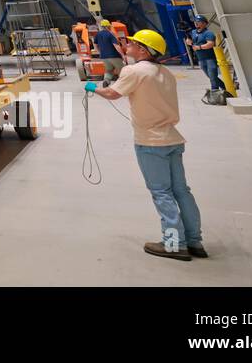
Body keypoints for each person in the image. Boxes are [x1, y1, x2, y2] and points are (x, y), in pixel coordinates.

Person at [85, 29, 207, 261]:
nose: (127, 45)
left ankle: (173, 244)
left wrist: (93, 88)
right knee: (182, 191)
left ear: (143, 49)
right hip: (172, 138)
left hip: (151, 141)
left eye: (132, 43)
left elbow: (112, 93)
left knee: (162, 193)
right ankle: (194, 240)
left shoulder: (134, 71)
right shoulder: (165, 73)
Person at [187, 15, 224, 94]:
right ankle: (225, 88)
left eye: (198, 22)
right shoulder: (193, 32)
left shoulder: (208, 33)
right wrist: (189, 42)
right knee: (210, 76)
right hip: (201, 59)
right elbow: (188, 40)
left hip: (210, 58)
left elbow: (210, 44)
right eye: (195, 21)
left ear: (204, 23)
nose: (196, 23)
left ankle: (214, 92)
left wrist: (199, 47)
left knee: (212, 76)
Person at [95, 19, 123, 85]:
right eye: (109, 26)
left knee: (109, 70)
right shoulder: (110, 34)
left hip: (104, 57)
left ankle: (106, 81)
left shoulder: (98, 34)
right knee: (122, 69)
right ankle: (121, 84)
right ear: (107, 26)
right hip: (114, 56)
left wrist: (99, 52)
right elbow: (116, 45)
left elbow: (95, 44)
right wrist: (123, 55)